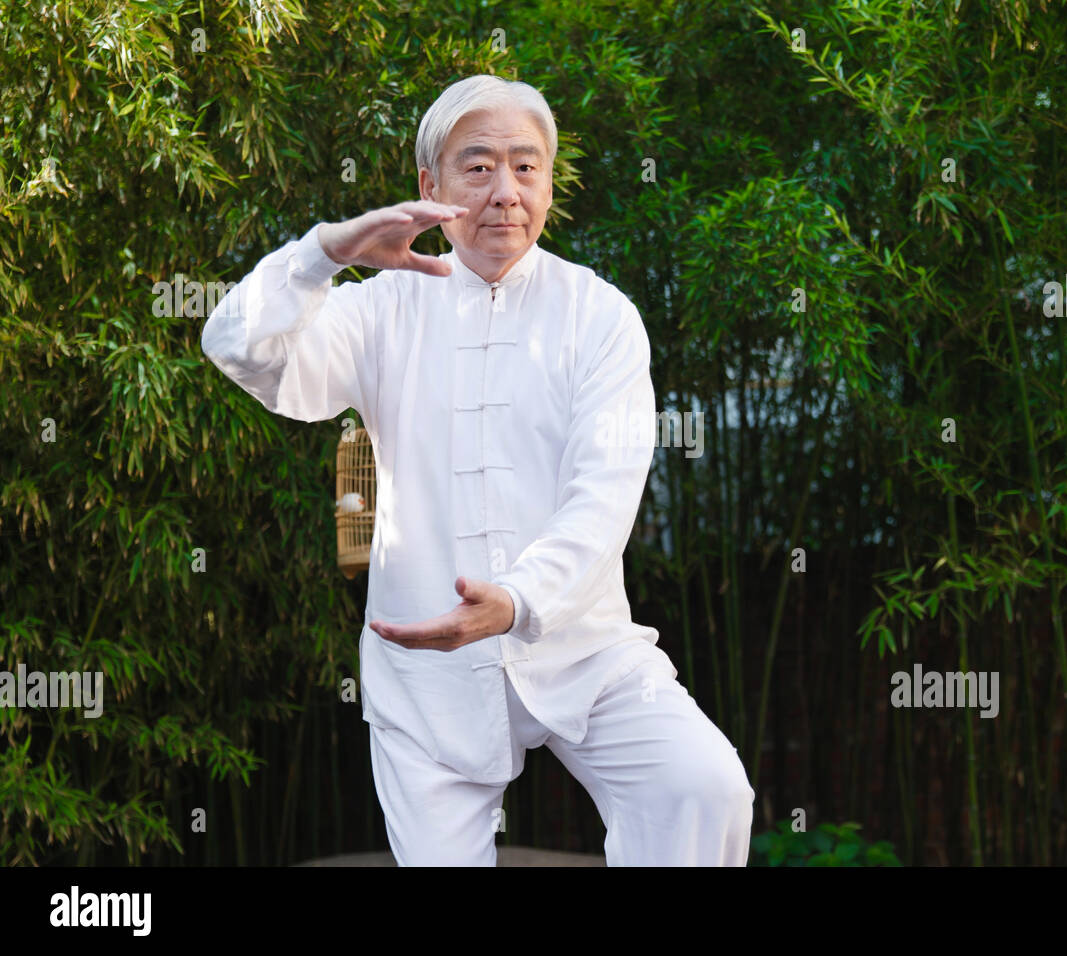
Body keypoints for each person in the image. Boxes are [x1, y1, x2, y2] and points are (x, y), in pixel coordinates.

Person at [201, 74, 754, 865]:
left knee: (703, 786)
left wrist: (519, 600)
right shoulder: (380, 308)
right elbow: (235, 347)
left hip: (585, 648)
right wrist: (325, 253)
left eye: (526, 167)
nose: (505, 192)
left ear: (550, 183)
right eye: (479, 166)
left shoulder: (600, 316)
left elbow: (603, 499)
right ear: (430, 186)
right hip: (427, 667)